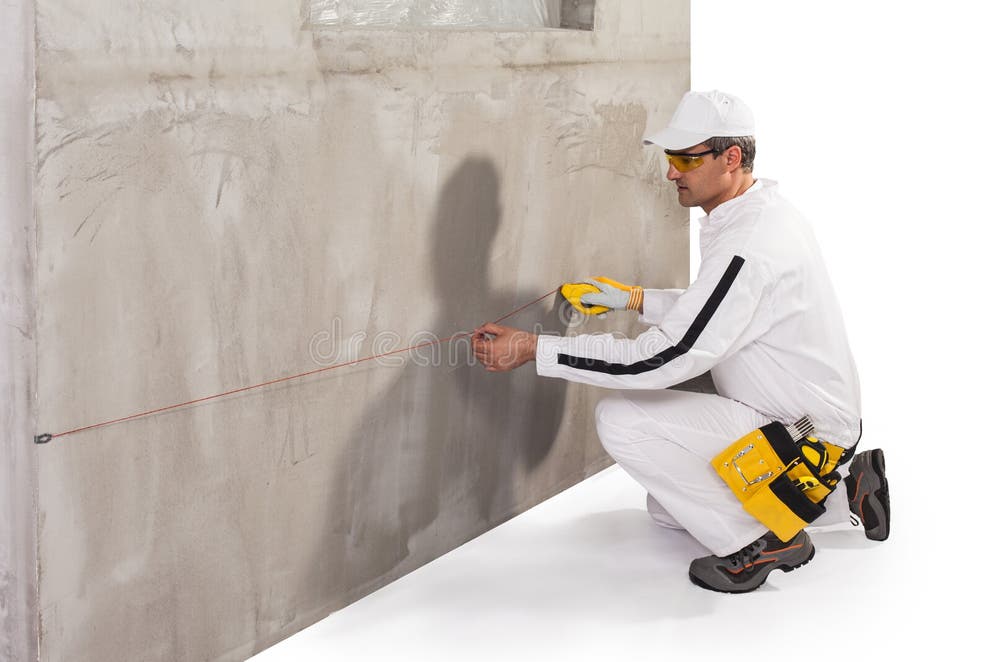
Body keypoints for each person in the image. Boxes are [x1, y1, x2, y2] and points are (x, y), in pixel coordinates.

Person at [471, 90, 890, 593]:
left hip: (804, 435)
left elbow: (665, 357)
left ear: (731, 159)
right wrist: (633, 299)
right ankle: (849, 493)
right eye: (671, 157)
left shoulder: (747, 244)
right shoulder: (757, 213)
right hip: (801, 418)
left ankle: (760, 542)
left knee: (621, 420)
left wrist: (534, 350)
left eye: (686, 158)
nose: (672, 172)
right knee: (668, 509)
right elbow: (721, 310)